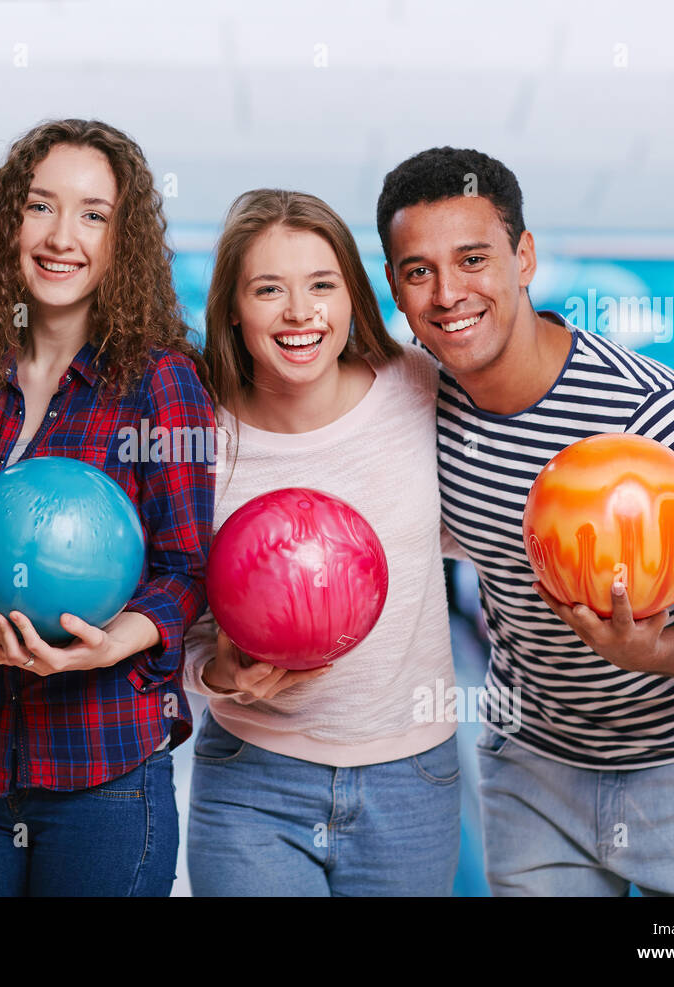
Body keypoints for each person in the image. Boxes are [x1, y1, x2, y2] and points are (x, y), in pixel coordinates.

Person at [376, 146, 674, 896]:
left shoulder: (657, 415)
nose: (449, 292)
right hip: (533, 769)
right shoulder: (412, 407)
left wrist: (651, 648)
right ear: (396, 287)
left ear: (523, 257)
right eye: (419, 270)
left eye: (473, 258)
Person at [0, 119, 215, 897]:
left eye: (93, 214)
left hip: (105, 775)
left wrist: (108, 643)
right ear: (7, 222)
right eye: (39, 206)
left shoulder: (161, 382)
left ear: (124, 240)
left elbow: (188, 568)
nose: (62, 236)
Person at [182, 189, 460, 896]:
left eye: (321, 285)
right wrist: (219, 674)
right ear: (234, 309)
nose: (300, 312)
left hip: (413, 776)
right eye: (269, 288)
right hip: (253, 776)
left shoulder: (420, 389)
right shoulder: (196, 436)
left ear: (351, 296)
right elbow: (173, 620)